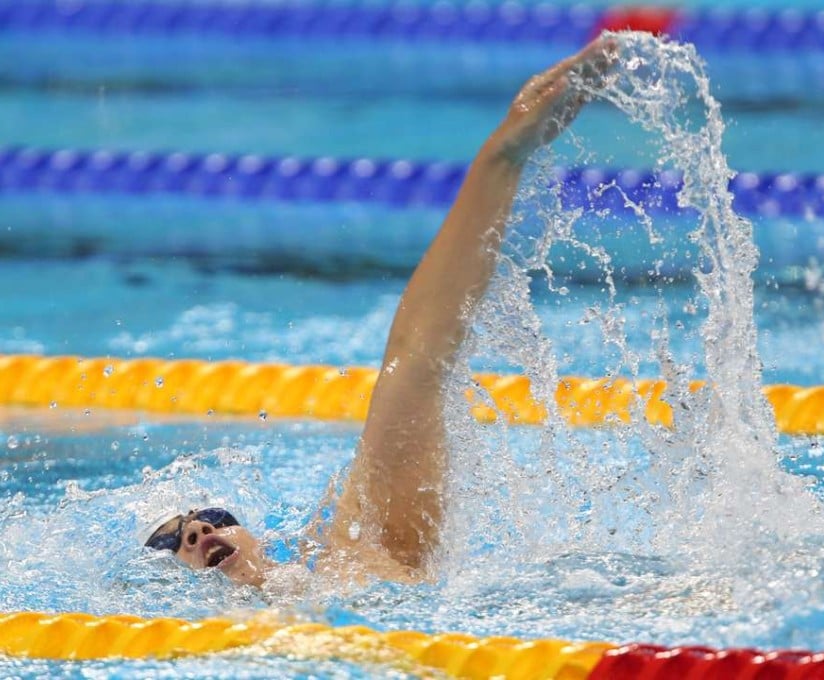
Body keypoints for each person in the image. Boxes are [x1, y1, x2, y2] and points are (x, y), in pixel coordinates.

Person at [143, 38, 616, 588]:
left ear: (253, 532)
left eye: (211, 518)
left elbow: (418, 360)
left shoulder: (354, 552)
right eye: (172, 541)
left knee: (406, 372)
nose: (198, 530)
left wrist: (504, 153)